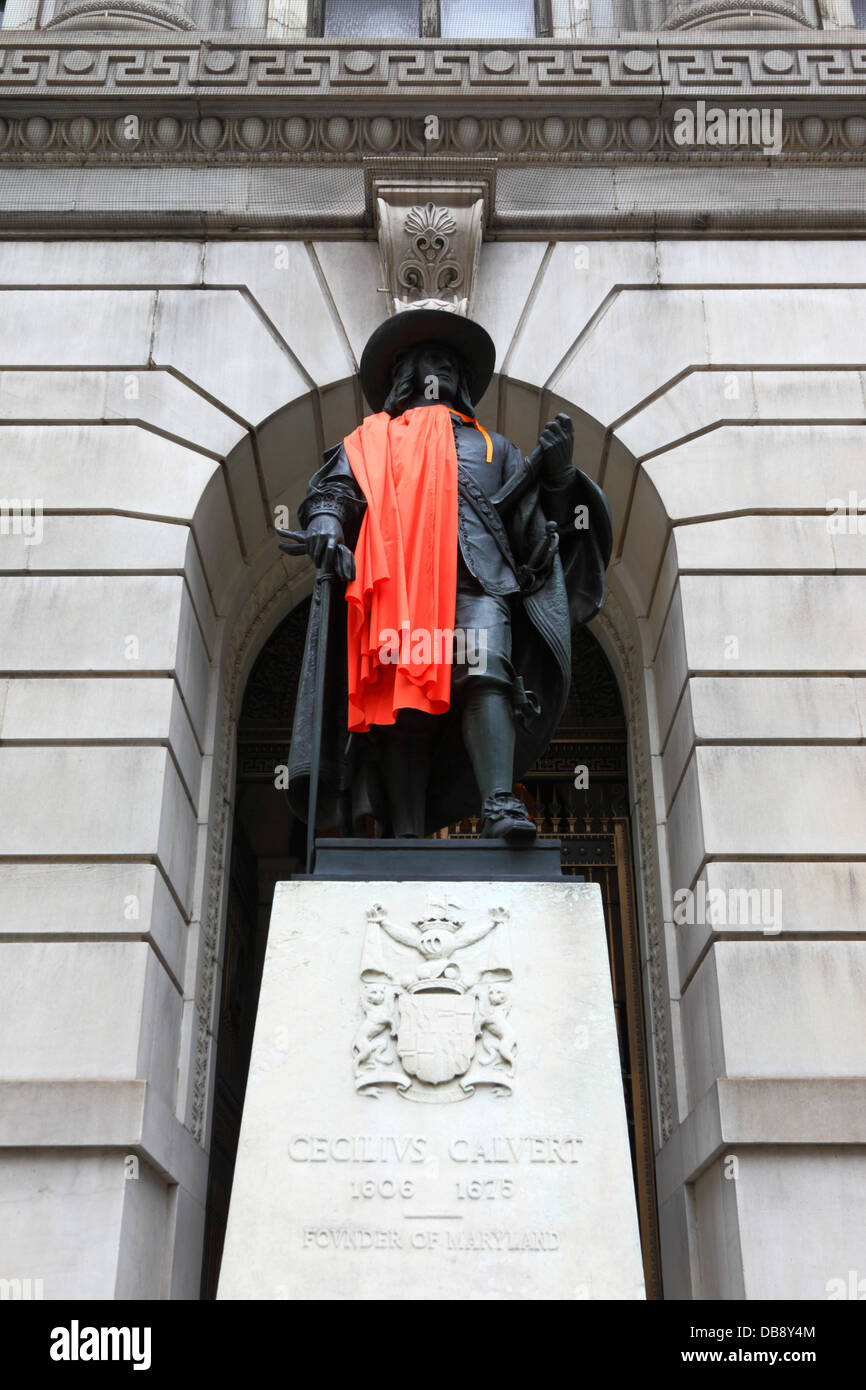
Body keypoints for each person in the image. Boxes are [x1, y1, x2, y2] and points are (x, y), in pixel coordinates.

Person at [281, 307, 612, 843]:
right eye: (434, 362)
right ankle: (406, 836)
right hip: (400, 587)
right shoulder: (372, 439)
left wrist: (560, 473)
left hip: (478, 583)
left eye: (454, 365)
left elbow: (539, 525)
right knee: (404, 709)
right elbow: (335, 491)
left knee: (488, 674)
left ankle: (499, 805)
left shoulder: (494, 447)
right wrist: (325, 526)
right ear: (406, 375)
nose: (447, 371)